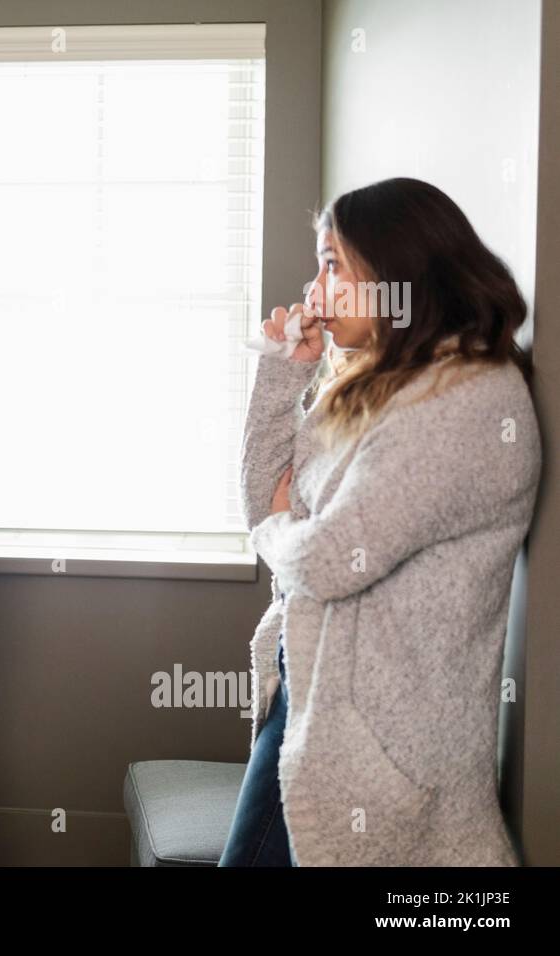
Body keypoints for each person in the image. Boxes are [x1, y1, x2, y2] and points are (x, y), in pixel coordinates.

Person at [223, 177, 540, 866]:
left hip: (372, 753)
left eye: (332, 263)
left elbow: (326, 558)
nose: (315, 288)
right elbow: (265, 501)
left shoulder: (469, 400)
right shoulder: (383, 381)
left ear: (396, 271)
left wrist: (279, 531)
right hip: (311, 708)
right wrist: (286, 372)